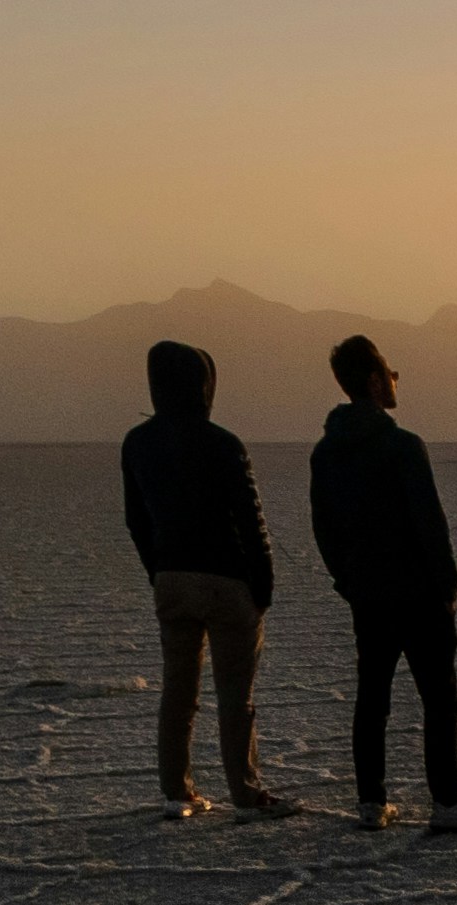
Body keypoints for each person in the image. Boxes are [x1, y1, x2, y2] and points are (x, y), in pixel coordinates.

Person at [307, 335, 457, 833]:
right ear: (376, 382)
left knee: (372, 698)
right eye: (390, 373)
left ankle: (371, 802)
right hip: (418, 593)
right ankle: (447, 801)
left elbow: (323, 528)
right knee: (439, 700)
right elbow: (429, 524)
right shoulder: (402, 446)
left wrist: (347, 580)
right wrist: (448, 586)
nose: (395, 382)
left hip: (367, 596)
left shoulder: (326, 452)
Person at [121, 340, 291, 818]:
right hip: (227, 582)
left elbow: (136, 519)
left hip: (172, 580)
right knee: (235, 695)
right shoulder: (223, 443)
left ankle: (178, 793)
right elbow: (250, 520)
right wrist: (263, 583)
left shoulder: (137, 443)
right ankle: (247, 793)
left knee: (178, 691)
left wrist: (158, 570)